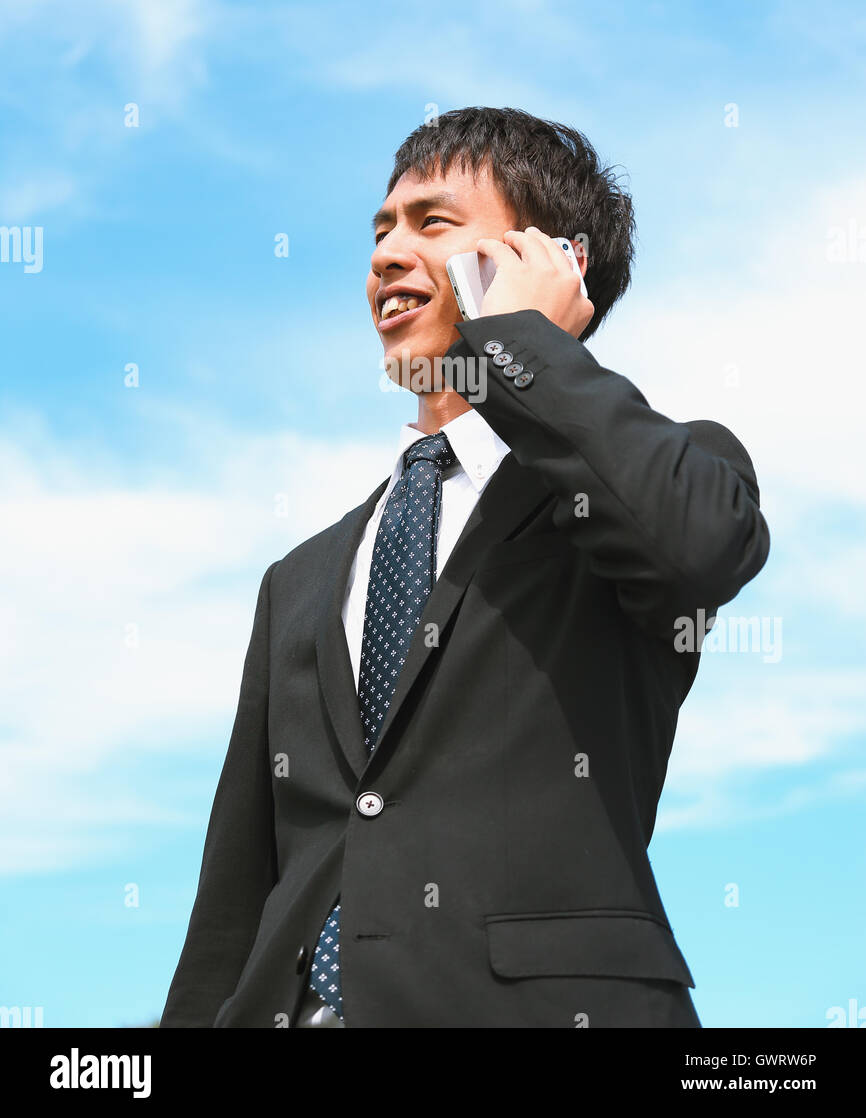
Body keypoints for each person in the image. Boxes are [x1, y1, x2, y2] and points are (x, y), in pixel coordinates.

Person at [160, 106, 770, 1029]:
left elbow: (696, 552)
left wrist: (528, 346)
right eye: (380, 229)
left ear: (551, 262)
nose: (386, 254)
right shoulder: (299, 577)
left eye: (432, 224)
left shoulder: (656, 481)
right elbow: (234, 897)